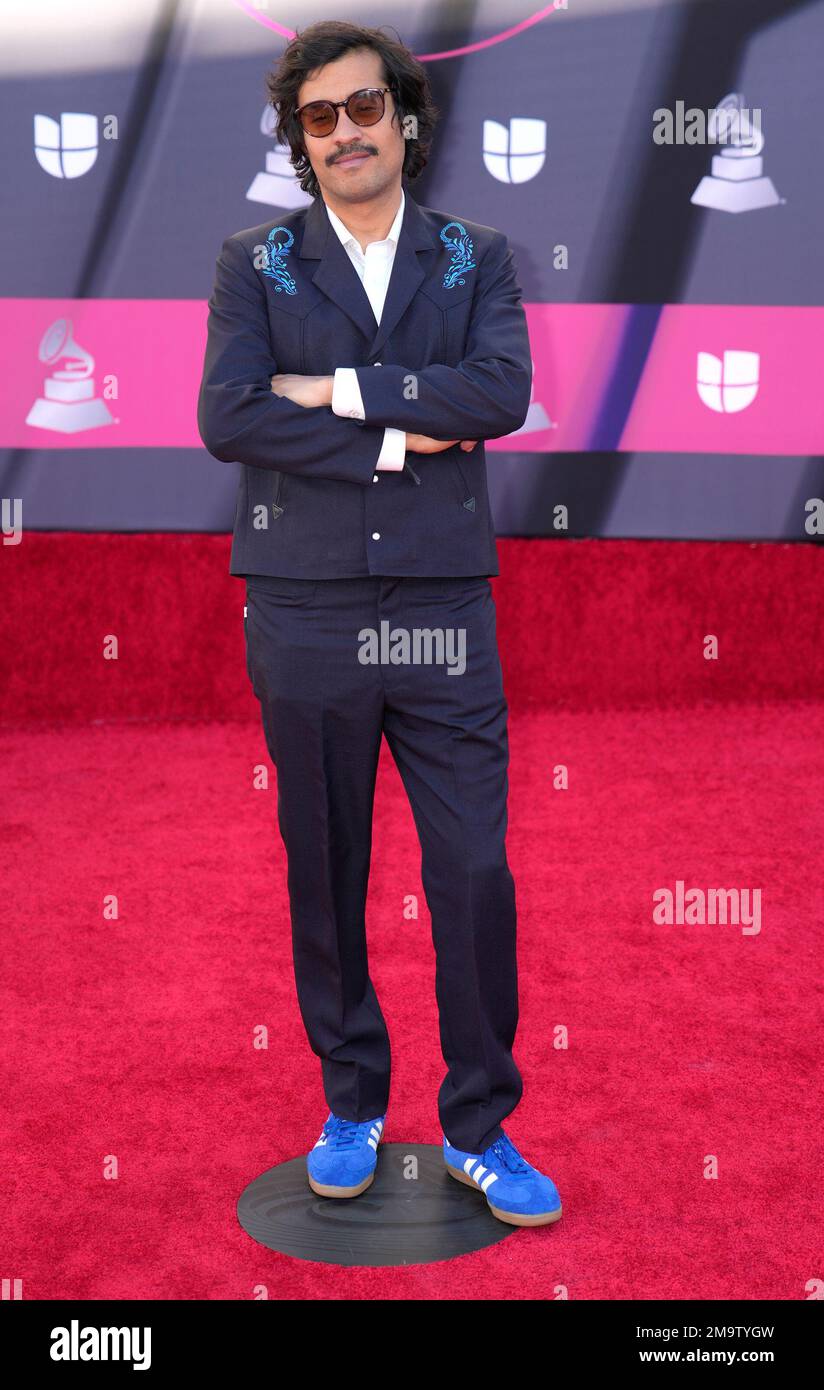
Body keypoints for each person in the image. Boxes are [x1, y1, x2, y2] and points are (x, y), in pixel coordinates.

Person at [198, 19, 562, 1228]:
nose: (345, 132)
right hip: (301, 610)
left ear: (406, 119)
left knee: (471, 867)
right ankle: (350, 1098)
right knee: (329, 867)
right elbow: (231, 418)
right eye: (319, 117)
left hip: (443, 608)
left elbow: (499, 392)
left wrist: (346, 392)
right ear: (299, 143)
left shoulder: (476, 257)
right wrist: (411, 435)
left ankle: (478, 1124)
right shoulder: (253, 262)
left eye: (365, 108)